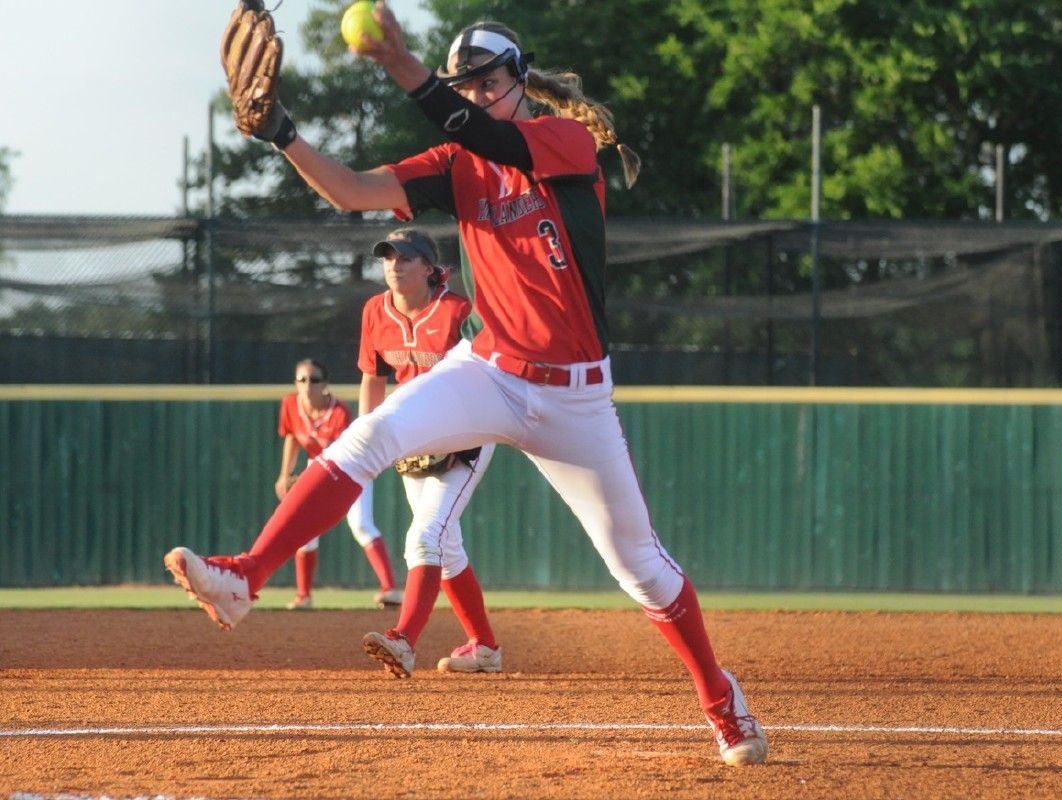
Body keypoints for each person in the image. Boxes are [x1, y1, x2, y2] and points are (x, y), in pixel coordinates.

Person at [164, 2, 766, 766]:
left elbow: (489, 136)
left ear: (520, 77)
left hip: (574, 395)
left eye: (488, 80)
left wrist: (399, 63)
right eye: (467, 85)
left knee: (640, 568)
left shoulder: (564, 140)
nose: (478, 94)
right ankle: (245, 577)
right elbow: (351, 190)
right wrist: (283, 133)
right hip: (489, 369)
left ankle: (720, 699)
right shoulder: (457, 163)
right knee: (370, 435)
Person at [357, 227, 501, 675]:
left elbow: (487, 376)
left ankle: (403, 640)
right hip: (412, 442)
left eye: (404, 258)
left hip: (464, 440)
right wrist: (369, 442)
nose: (394, 265)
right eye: (388, 258)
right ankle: (485, 648)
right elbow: (373, 379)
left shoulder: (458, 311)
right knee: (446, 545)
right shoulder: (375, 311)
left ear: (428, 268)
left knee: (424, 536)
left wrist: (463, 430)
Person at [275, 358, 403, 610]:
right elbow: (292, 438)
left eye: (314, 379)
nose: (307, 385)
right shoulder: (290, 404)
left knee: (361, 524)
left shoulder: (338, 411)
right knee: (305, 529)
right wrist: (284, 474)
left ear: (325, 384)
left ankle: (390, 590)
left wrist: (305, 478)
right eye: (302, 379)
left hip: (351, 467)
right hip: (316, 465)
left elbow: (339, 455)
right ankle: (304, 596)